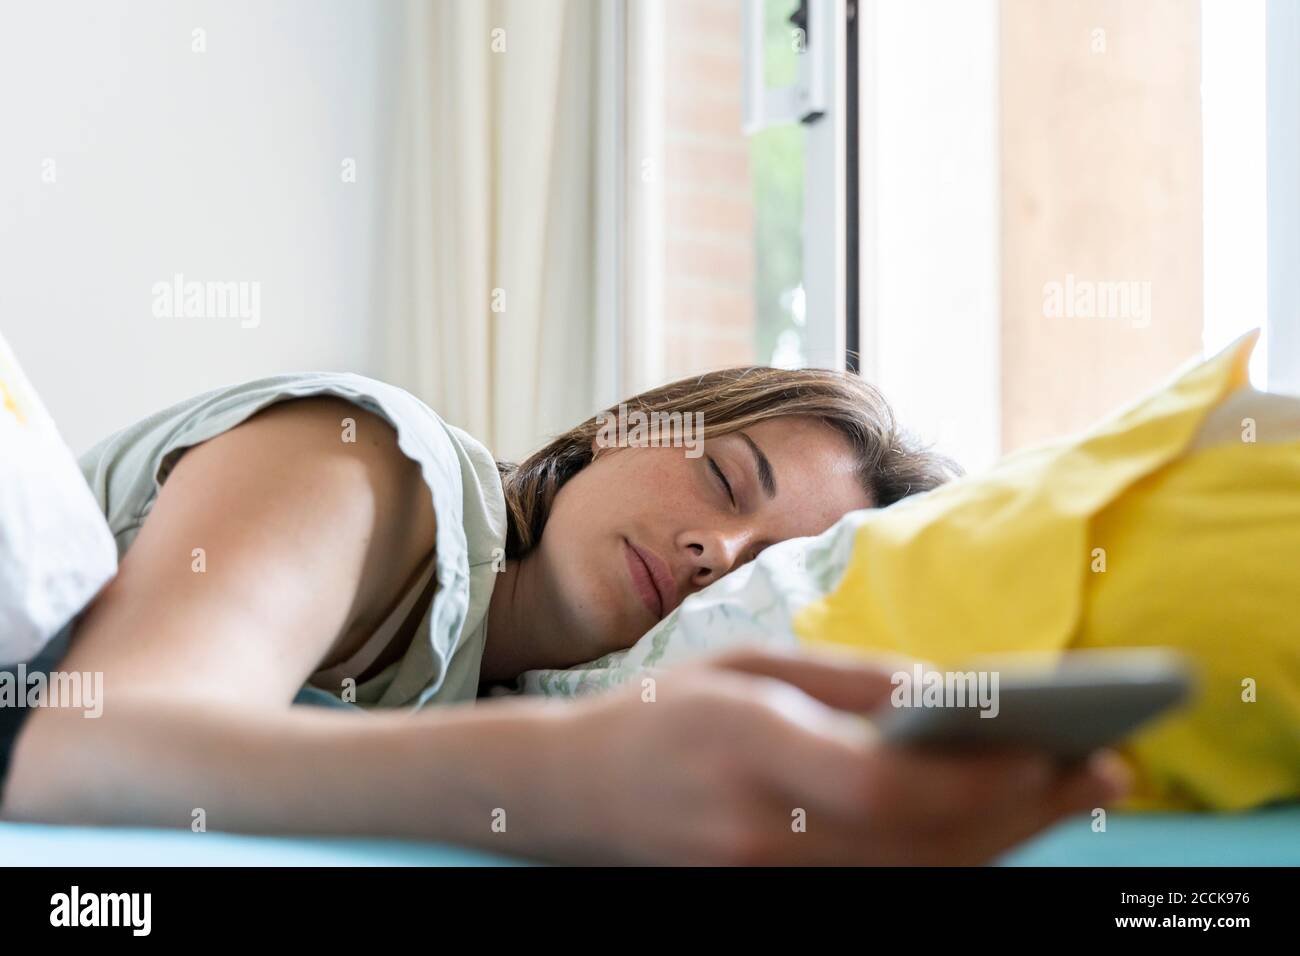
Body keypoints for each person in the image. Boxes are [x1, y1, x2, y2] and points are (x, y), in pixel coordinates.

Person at [0, 367, 1128, 864]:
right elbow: (89, 749)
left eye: (750, 570)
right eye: (726, 483)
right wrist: (563, 778)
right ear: (629, 423)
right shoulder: (376, 461)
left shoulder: (488, 676)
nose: (714, 552)